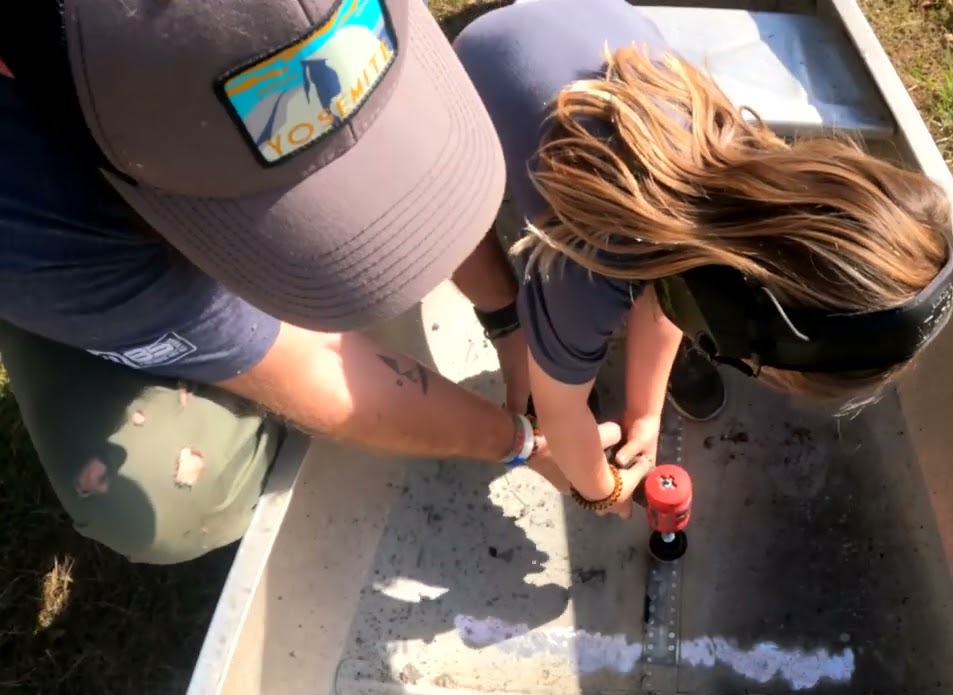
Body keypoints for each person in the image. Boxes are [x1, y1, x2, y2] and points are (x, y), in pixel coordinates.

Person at [0, 0, 622, 565]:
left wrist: (508, 320)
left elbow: (390, 137)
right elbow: (308, 363)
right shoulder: (34, 215)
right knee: (173, 494)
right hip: (68, 222)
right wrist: (520, 443)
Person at [451, 0, 953, 518]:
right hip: (456, 88)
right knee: (446, 221)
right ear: (734, 317)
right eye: (756, 364)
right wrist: (603, 490)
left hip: (576, 23)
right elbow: (560, 414)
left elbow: (673, 279)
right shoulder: (593, 262)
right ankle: (506, 321)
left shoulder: (743, 171)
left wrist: (643, 411)